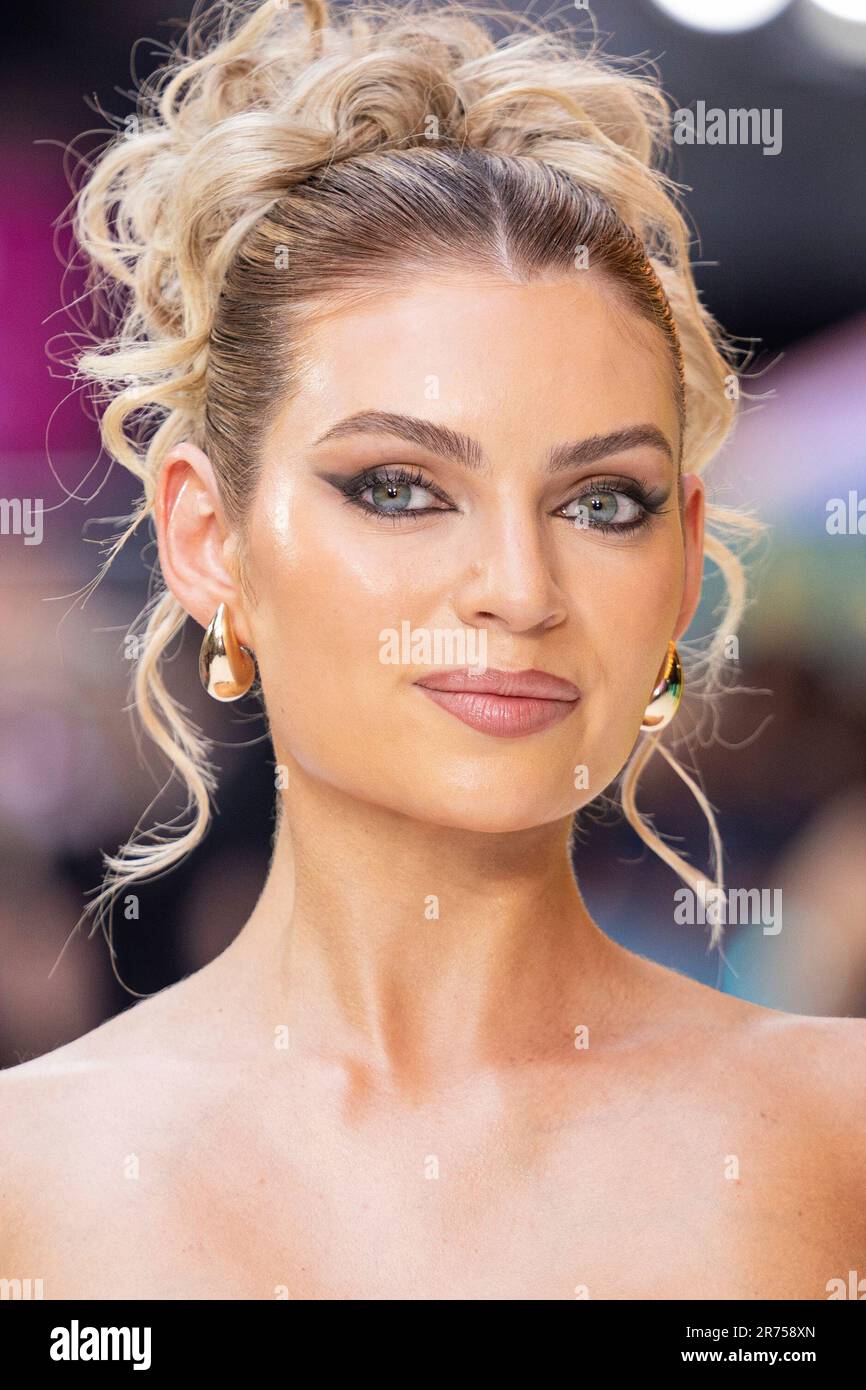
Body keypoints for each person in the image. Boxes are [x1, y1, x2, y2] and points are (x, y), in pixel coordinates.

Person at [1, 0, 863, 1300]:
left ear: (684, 557)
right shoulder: (31, 1186)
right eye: (398, 487)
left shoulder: (837, 1143)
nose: (517, 589)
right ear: (206, 535)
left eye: (600, 501)